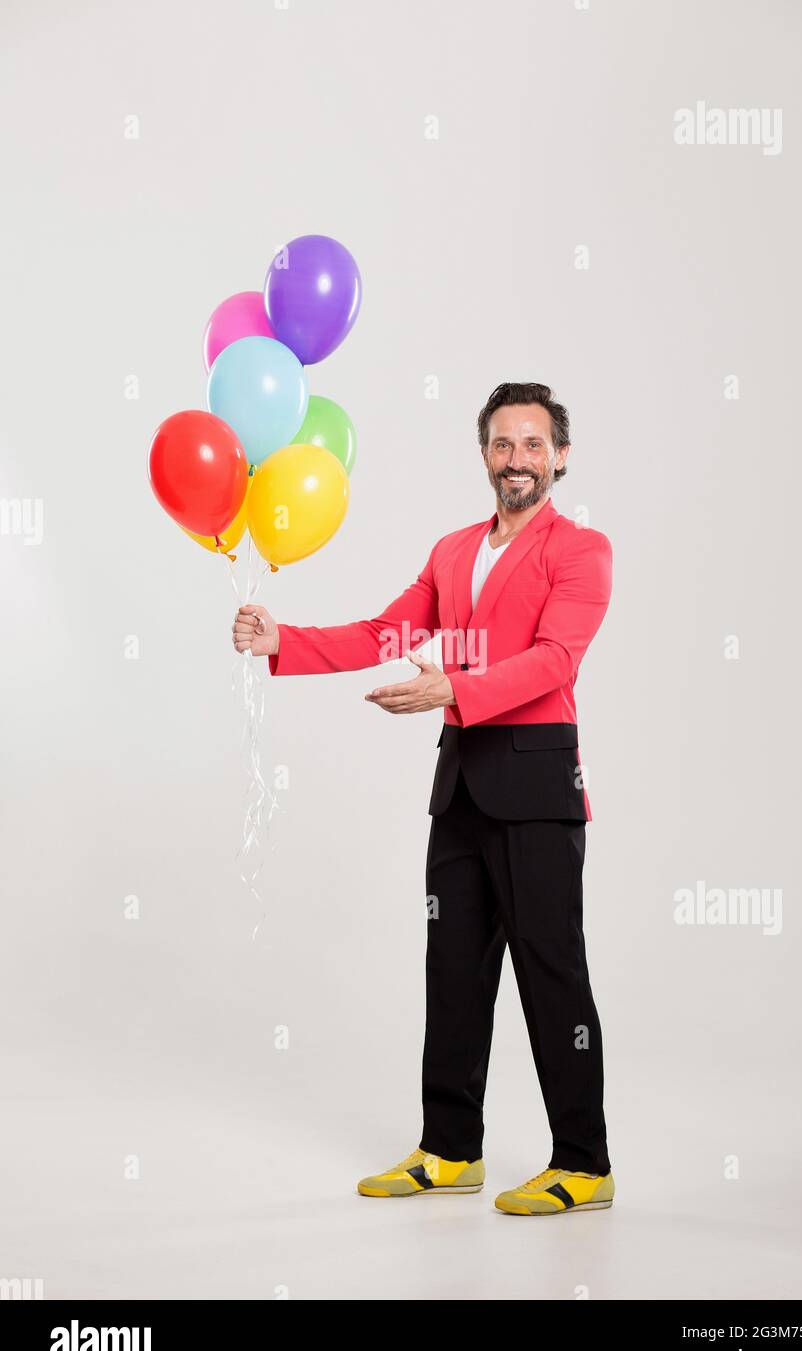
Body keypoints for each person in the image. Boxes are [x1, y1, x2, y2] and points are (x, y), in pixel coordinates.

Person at [232, 382, 614, 1216]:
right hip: (463, 788)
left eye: (533, 444)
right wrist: (282, 641)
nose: (518, 459)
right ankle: (450, 1149)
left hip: (539, 787)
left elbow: (556, 661)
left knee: (552, 972)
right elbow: (386, 633)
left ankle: (584, 1162)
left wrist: (455, 690)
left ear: (560, 457)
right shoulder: (451, 552)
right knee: (453, 971)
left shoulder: (581, 550)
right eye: (503, 445)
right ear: (484, 455)